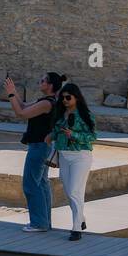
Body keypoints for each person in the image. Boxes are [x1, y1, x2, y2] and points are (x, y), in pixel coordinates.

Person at [4, 71, 63, 233]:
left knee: (31, 184)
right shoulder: (47, 101)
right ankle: (44, 221)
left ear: (50, 85)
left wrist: (10, 94)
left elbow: (20, 113)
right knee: (42, 183)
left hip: (39, 146)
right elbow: (23, 106)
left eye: (43, 80)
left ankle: (39, 223)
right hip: (41, 146)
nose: (40, 82)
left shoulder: (47, 103)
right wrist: (14, 91)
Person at [47, 82, 97, 241]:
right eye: (63, 98)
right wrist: (51, 135)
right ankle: (80, 218)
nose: (65, 100)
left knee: (75, 191)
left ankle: (76, 229)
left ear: (76, 97)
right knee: (69, 191)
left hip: (80, 156)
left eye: (68, 97)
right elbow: (56, 130)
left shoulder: (85, 115)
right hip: (63, 156)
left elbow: (92, 137)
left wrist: (73, 135)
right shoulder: (61, 114)